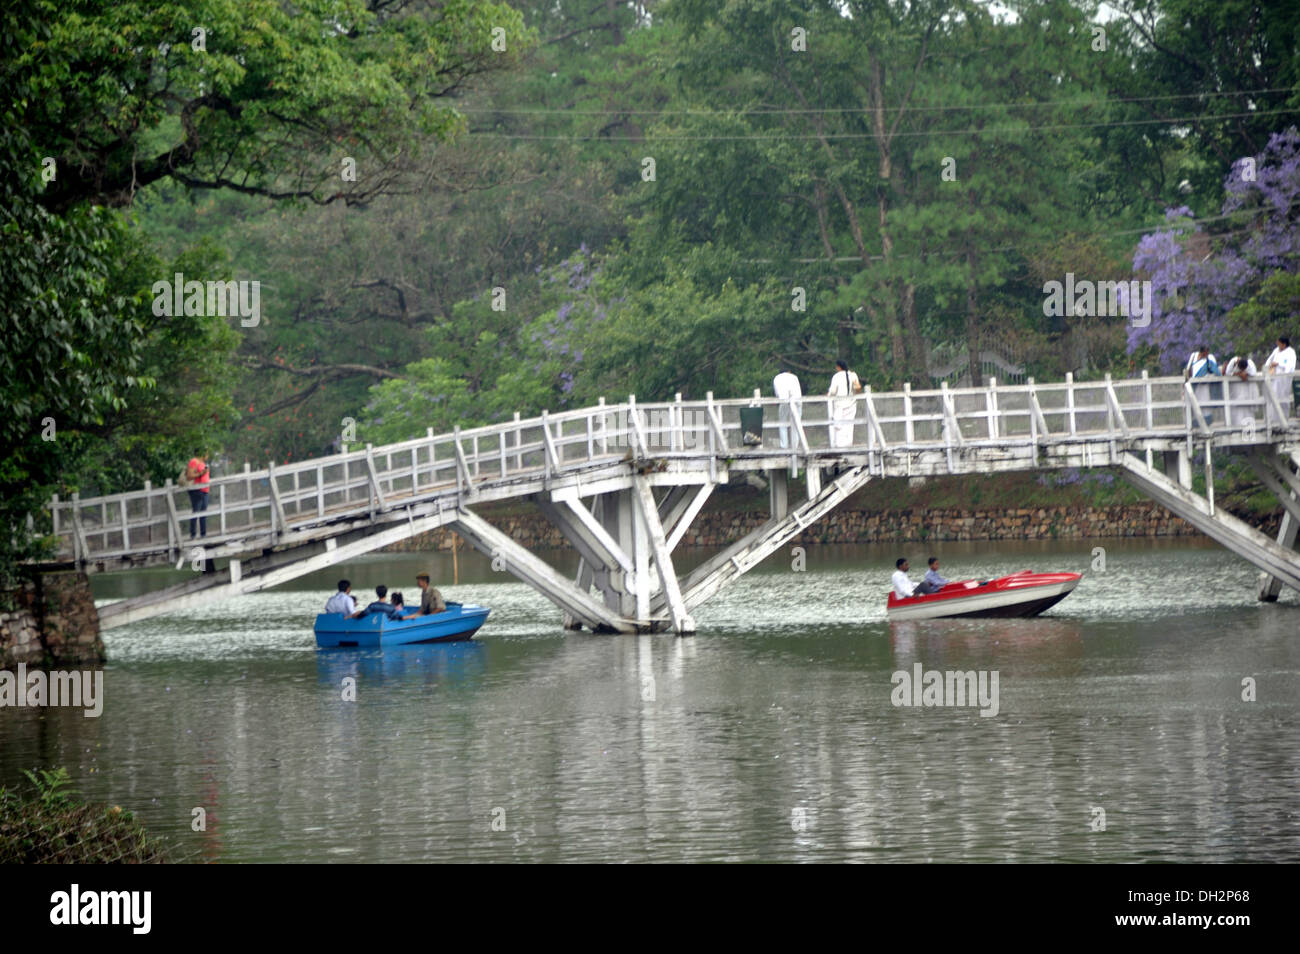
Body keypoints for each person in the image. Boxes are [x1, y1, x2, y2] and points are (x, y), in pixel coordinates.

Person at [827, 359, 862, 449]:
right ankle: (848, 444)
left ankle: (839, 445)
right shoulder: (853, 375)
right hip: (851, 403)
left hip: (840, 404)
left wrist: (828, 395)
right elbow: (857, 388)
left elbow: (833, 391)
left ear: (839, 367)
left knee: (838, 425)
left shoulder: (837, 376)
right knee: (849, 425)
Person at [1264, 335, 1296, 423]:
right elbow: (1269, 361)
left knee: (1282, 399)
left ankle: (1283, 419)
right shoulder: (1276, 351)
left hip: (1283, 380)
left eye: (1279, 344)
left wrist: (1278, 364)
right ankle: (1272, 420)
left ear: (1284, 344)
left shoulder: (1290, 352)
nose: (1278, 346)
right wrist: (1269, 366)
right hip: (1273, 378)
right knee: (1272, 398)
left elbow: (1290, 367)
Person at [1186, 345, 1220, 424]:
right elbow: (1189, 368)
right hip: (1194, 385)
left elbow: (1215, 371)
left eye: (1207, 353)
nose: (1206, 354)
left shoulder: (1209, 358)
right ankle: (1196, 422)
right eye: (1205, 353)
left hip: (1205, 386)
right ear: (1202, 352)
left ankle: (1207, 421)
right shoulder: (1193, 356)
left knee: (1205, 404)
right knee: (1194, 403)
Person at [179, 456, 210, 539]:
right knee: (196, 511)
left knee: (204, 513)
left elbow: (206, 473)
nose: (208, 455)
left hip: (205, 490)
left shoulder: (204, 463)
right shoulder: (194, 461)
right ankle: (193, 534)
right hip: (197, 490)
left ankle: (203, 534)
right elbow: (189, 476)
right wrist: (201, 473)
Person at [773, 368, 803, 450]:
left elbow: (777, 393)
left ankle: (784, 446)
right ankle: (795, 446)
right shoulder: (794, 377)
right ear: (789, 371)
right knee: (796, 424)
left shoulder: (777, 378)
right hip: (797, 402)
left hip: (784, 402)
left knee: (782, 423)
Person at [1224, 355, 1258, 426]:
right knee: (1236, 409)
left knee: (1247, 408)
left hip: (1247, 390)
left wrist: (1246, 374)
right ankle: (1236, 426)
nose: (1242, 370)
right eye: (1241, 369)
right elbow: (1227, 373)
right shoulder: (1233, 362)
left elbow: (1253, 373)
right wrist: (1238, 374)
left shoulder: (1250, 363)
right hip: (1235, 390)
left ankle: (1249, 425)